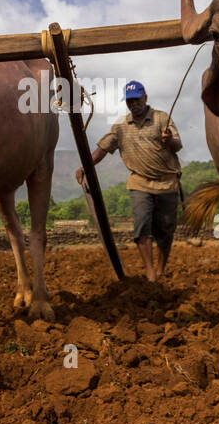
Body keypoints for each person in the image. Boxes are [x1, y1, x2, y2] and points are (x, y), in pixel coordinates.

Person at [76, 80, 182, 282]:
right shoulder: (121, 127)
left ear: (145, 98)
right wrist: (85, 167)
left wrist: (169, 140)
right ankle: (150, 271)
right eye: (129, 101)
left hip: (167, 183)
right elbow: (101, 151)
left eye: (137, 99)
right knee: (142, 228)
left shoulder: (162, 119)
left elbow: (177, 145)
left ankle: (160, 268)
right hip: (140, 183)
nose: (134, 104)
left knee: (166, 231)